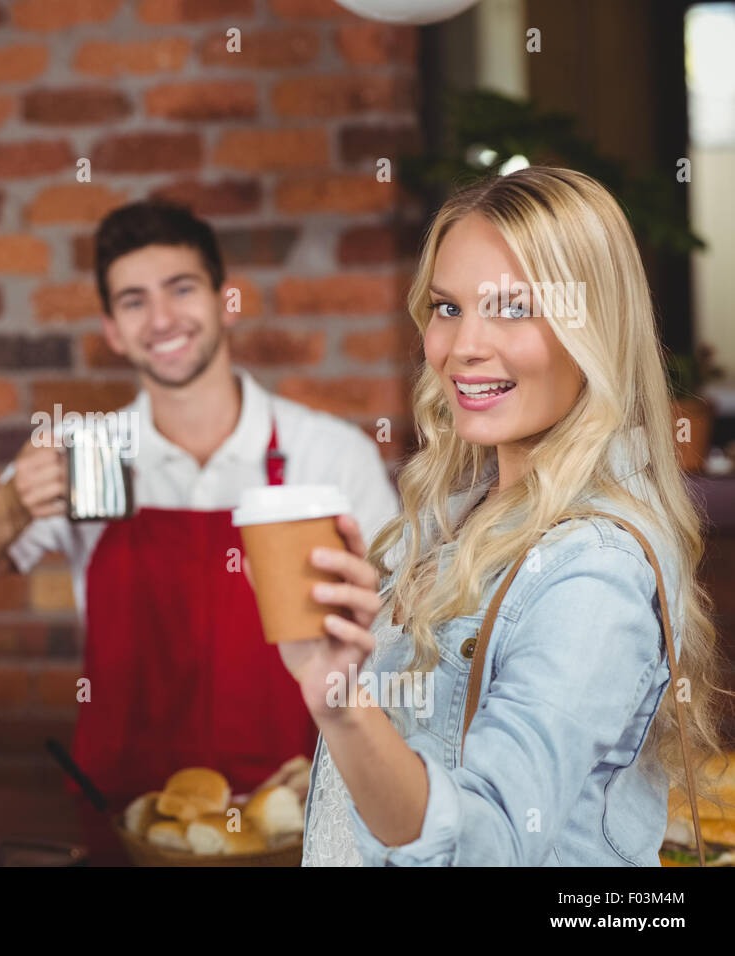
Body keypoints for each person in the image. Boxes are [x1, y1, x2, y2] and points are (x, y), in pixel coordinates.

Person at [288, 165, 732, 865]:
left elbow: (484, 844)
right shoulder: (448, 518)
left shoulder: (593, 571)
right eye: (448, 306)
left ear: (593, 331)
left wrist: (343, 705)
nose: (463, 346)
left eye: (513, 307)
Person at [0, 200, 400, 813]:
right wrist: (11, 509)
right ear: (113, 331)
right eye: (134, 301)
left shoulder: (333, 456)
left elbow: (403, 631)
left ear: (224, 300)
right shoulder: (82, 455)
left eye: (181, 289)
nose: (161, 318)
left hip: (293, 813)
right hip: (125, 819)